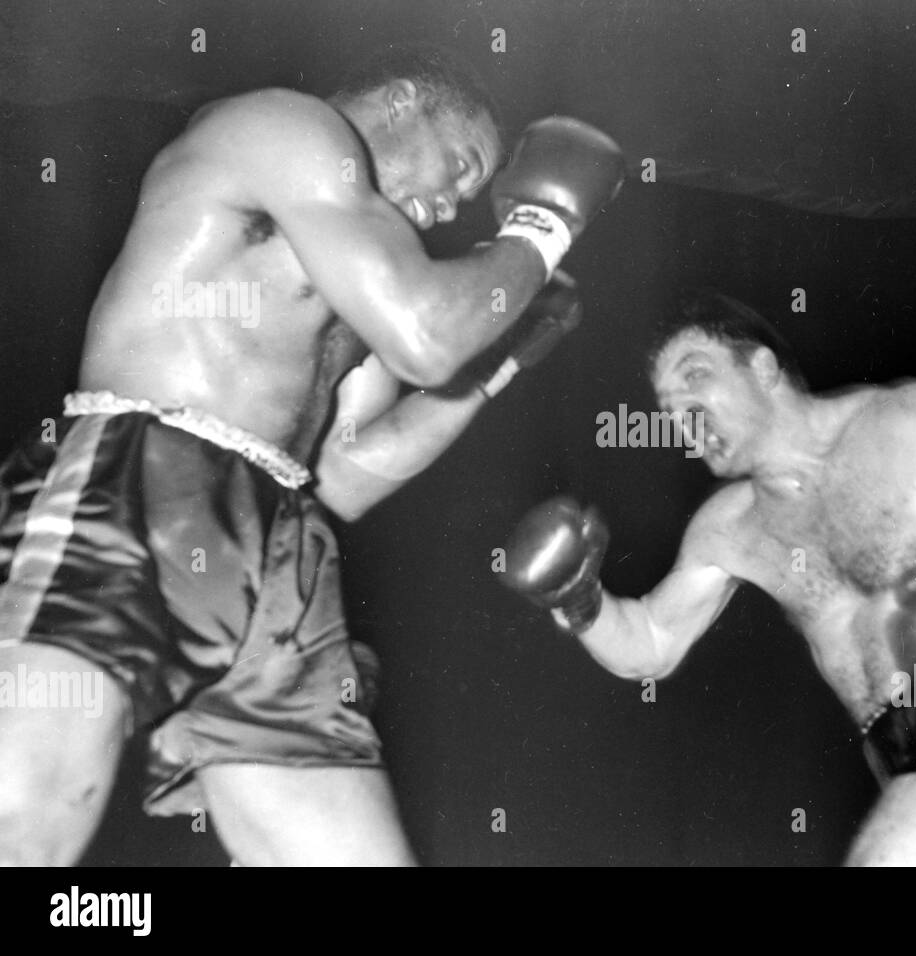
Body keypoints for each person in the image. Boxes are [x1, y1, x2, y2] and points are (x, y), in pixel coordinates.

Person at [0, 42, 622, 866]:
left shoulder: (363, 275)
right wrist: (542, 227)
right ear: (402, 102)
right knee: (26, 821)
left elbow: (349, 474)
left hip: (284, 544)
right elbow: (427, 337)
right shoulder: (284, 129)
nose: (448, 207)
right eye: (458, 167)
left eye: (469, 196)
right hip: (139, 487)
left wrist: (503, 362)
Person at [501, 291, 916, 866]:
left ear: (764, 367)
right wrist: (579, 599)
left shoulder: (908, 423)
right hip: (898, 755)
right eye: (666, 408)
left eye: (695, 377)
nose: (681, 415)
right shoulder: (727, 526)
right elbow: (651, 645)